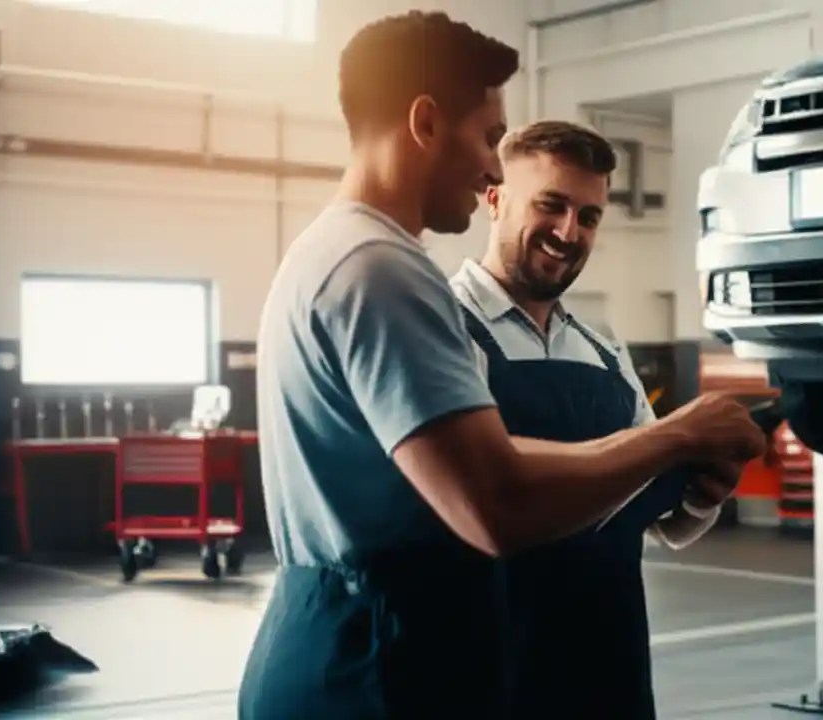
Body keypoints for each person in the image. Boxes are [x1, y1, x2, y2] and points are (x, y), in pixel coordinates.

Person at [236, 11, 765, 720]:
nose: (491, 161)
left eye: (590, 216)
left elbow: (648, 511)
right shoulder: (385, 269)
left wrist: (694, 482)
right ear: (425, 122)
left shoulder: (327, 252)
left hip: (357, 649)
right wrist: (678, 434)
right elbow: (497, 503)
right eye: (488, 138)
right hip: (375, 668)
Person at [449, 120, 738, 720]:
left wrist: (706, 494)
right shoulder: (440, 330)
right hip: (488, 670)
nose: (567, 232)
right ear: (495, 196)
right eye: (551, 206)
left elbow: (668, 527)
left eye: (589, 216)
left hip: (609, 671)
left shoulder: (606, 355)